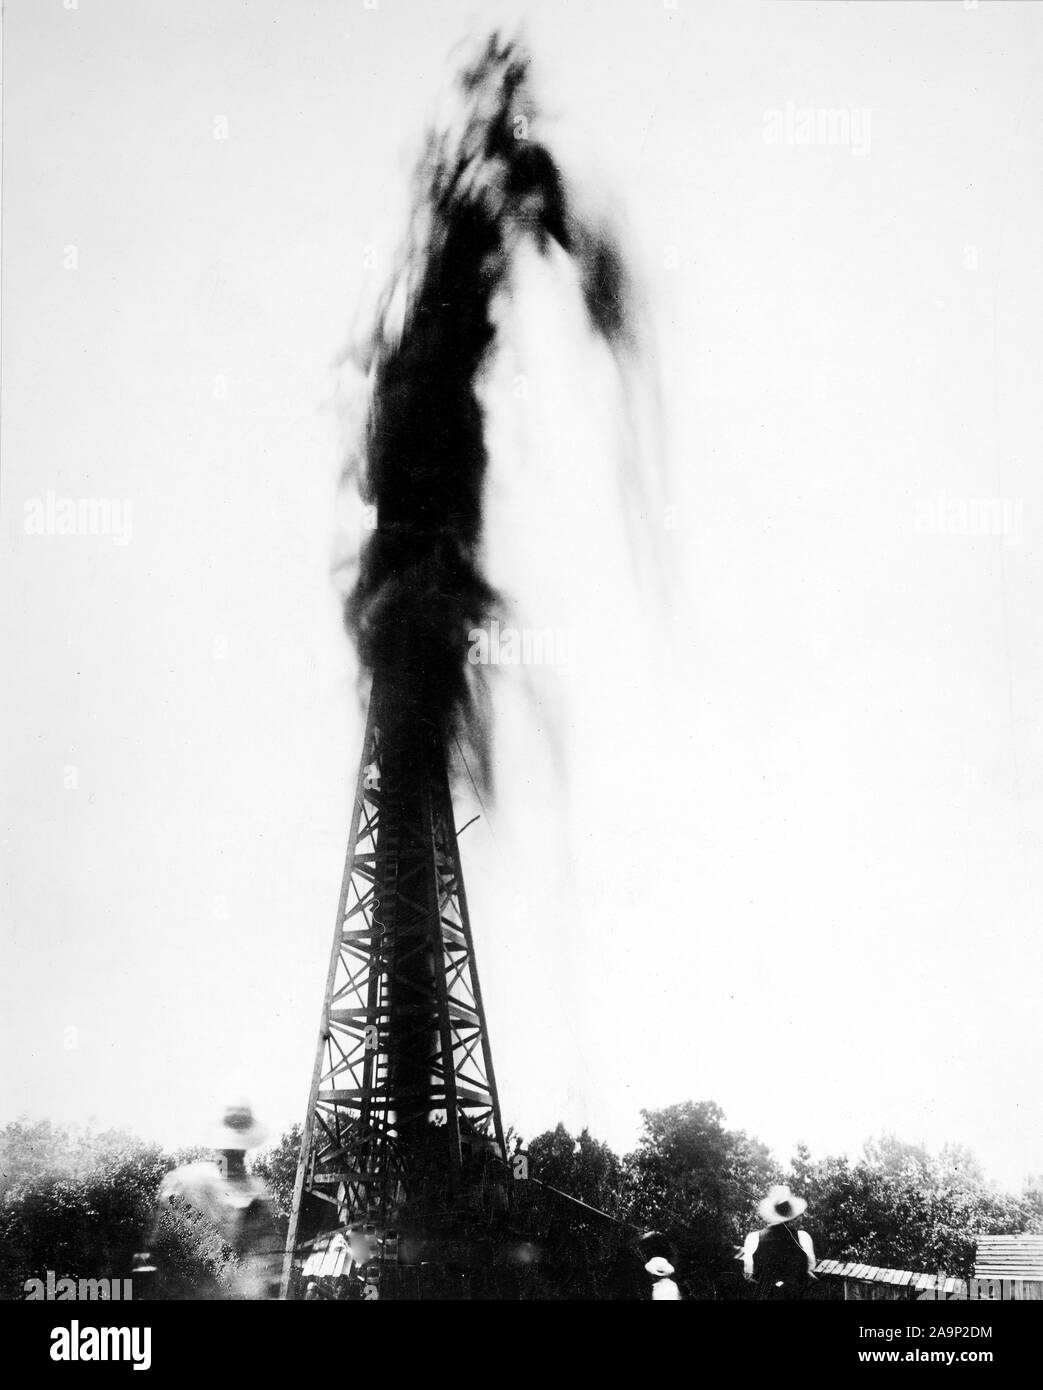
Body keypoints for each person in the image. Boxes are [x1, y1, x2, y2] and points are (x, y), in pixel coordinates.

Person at [136, 1099, 282, 1299]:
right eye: (233, 1151)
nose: (235, 1155)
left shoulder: (254, 1190)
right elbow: (159, 1247)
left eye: (237, 1152)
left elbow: (267, 1255)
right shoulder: (186, 1183)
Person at [741, 1185, 816, 1300]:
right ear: (791, 1215)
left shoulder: (753, 1238)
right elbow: (809, 1270)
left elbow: (748, 1274)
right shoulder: (803, 1238)